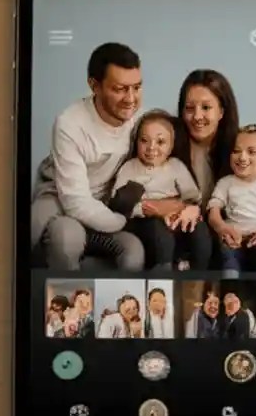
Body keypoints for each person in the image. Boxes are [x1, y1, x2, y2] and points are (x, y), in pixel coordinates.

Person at [29, 43, 145, 271]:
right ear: (94, 85)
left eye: (137, 87)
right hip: (59, 195)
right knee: (58, 237)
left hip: (102, 205)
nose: (131, 99)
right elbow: (74, 201)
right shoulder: (70, 123)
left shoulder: (141, 120)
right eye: (120, 88)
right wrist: (120, 221)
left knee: (134, 252)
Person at [110, 110, 205, 271]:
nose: (151, 147)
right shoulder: (130, 168)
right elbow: (118, 204)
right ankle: (163, 271)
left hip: (175, 217)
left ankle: (197, 270)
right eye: (144, 141)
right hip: (143, 221)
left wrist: (186, 210)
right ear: (137, 142)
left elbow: (193, 196)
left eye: (160, 142)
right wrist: (150, 210)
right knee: (157, 230)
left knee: (199, 230)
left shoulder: (176, 166)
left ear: (170, 147)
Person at [170, 70, 241, 269]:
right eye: (190, 108)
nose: (197, 116)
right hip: (182, 233)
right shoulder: (167, 145)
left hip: (227, 235)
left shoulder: (241, 148)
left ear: (221, 111)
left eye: (206, 107)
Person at [207, 125, 256, 277]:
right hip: (233, 237)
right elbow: (213, 211)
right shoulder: (226, 183)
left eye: (251, 152)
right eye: (236, 151)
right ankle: (231, 280)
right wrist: (221, 227)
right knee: (226, 255)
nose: (242, 157)